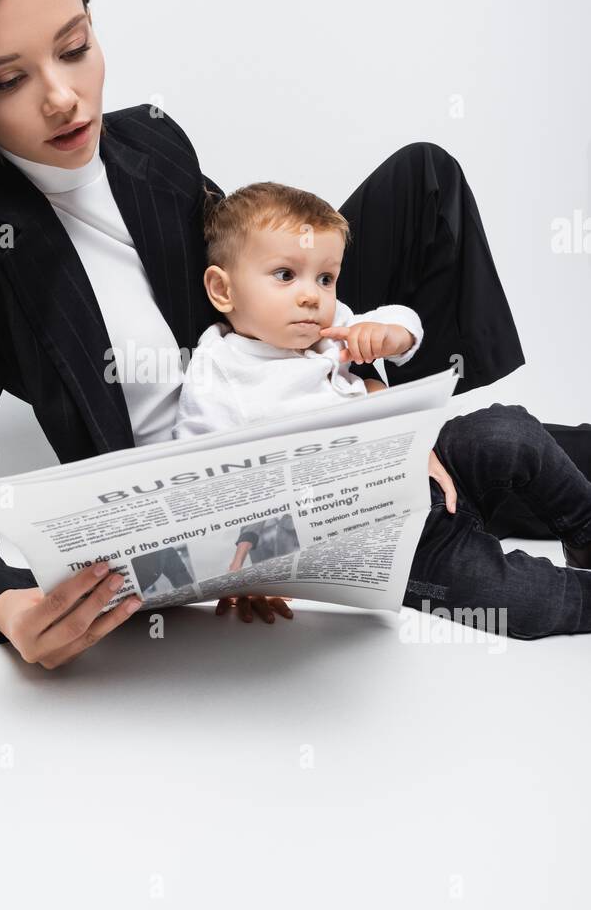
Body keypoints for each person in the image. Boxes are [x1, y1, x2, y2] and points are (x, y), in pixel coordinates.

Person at [0, 0, 590, 665]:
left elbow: (253, 277)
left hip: (285, 386)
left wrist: (383, 413)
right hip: (218, 493)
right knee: (507, 509)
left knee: (426, 187)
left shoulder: (153, 144)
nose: (62, 97)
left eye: (74, 47)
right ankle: (435, 505)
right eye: (7, 81)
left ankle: (428, 467)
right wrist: (6, 606)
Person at [170, 182, 591, 638]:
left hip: (431, 464)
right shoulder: (220, 369)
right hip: (386, 535)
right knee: (522, 601)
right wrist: (247, 574)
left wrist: (392, 336)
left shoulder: (330, 329)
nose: (312, 296)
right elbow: (200, 488)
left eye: (325, 278)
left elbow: (405, 319)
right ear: (222, 290)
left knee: (510, 430)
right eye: (286, 275)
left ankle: (584, 533)